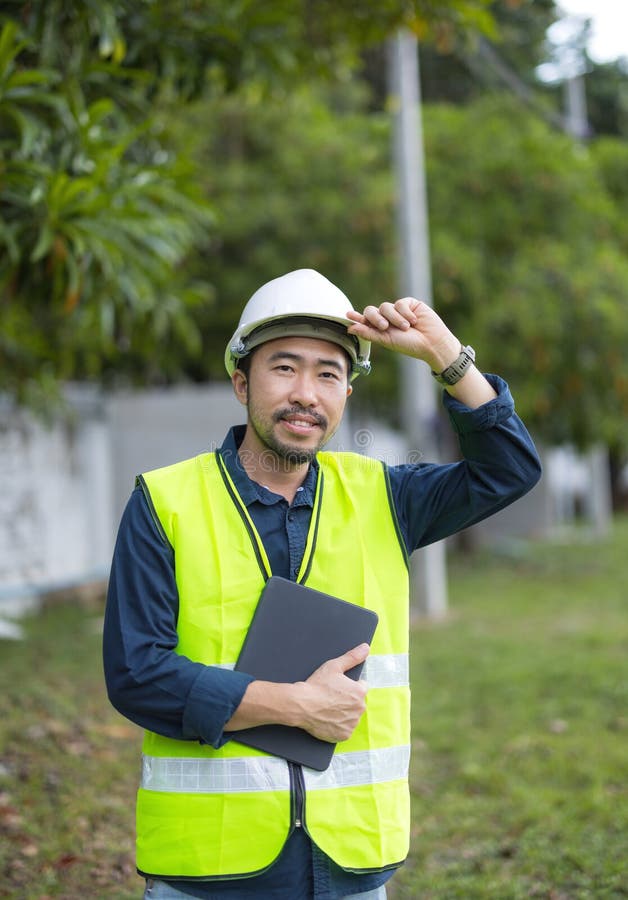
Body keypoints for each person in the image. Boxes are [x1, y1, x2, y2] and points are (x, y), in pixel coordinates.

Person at [104, 268, 541, 900]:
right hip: (210, 870)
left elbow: (511, 468)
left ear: (345, 397)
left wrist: (447, 356)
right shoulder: (165, 501)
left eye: (329, 374)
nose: (306, 393)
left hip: (350, 866)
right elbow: (135, 675)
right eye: (284, 368)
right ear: (240, 382)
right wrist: (294, 706)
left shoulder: (386, 497)